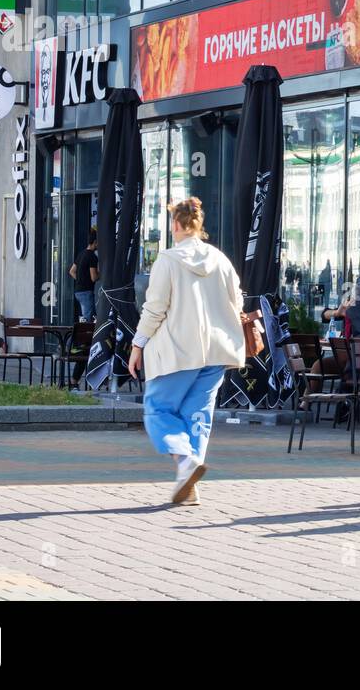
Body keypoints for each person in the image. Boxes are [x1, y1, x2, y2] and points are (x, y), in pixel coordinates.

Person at [128, 198, 245, 506]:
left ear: (177, 225)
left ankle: (185, 463)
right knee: (198, 416)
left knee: (158, 411)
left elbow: (155, 308)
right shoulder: (221, 260)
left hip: (177, 351)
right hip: (216, 352)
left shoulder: (167, 260)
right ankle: (188, 484)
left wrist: (137, 344)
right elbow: (238, 302)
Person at [69, 230, 99, 320]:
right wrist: (101, 273)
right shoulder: (92, 257)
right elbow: (94, 278)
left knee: (87, 317)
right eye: (99, 243)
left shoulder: (81, 254)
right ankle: (84, 334)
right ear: (95, 242)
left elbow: (72, 271)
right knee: (88, 319)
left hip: (78, 291)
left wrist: (81, 280)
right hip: (86, 292)